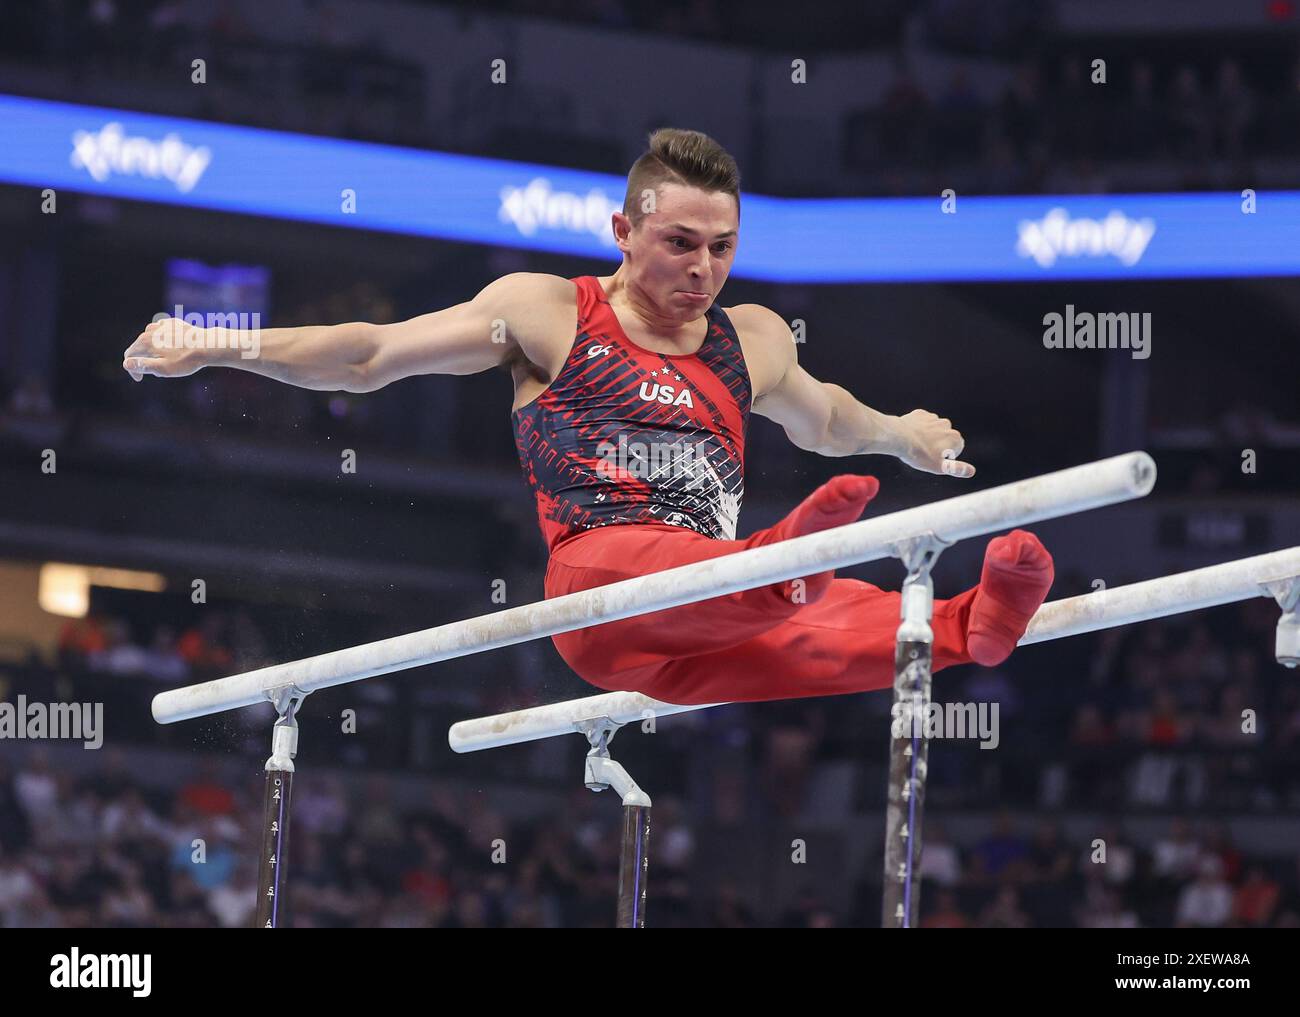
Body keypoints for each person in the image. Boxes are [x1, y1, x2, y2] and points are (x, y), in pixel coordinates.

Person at [122, 128, 1054, 705]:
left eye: (722, 247)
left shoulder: (754, 338)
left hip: (701, 628)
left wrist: (900, 432)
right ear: (623, 232)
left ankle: (970, 622)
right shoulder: (548, 313)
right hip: (598, 589)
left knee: (842, 631)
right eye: (679, 242)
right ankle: (785, 564)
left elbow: (827, 421)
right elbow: (368, 354)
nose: (703, 268)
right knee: (756, 580)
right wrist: (217, 341)